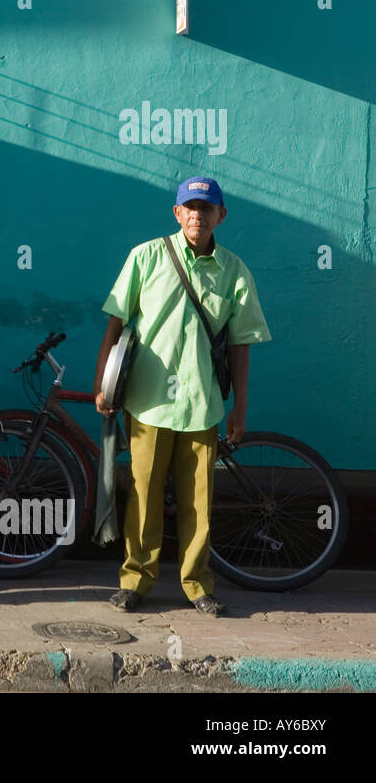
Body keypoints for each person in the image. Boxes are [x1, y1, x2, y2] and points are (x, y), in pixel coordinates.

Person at [95, 176, 270, 616]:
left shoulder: (234, 272)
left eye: (207, 208)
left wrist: (241, 407)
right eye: (190, 207)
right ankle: (136, 580)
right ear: (177, 213)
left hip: (202, 405)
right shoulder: (146, 257)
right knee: (143, 495)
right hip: (148, 401)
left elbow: (240, 345)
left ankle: (197, 585)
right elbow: (114, 327)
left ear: (221, 216)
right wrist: (104, 383)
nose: (198, 215)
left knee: (199, 503)